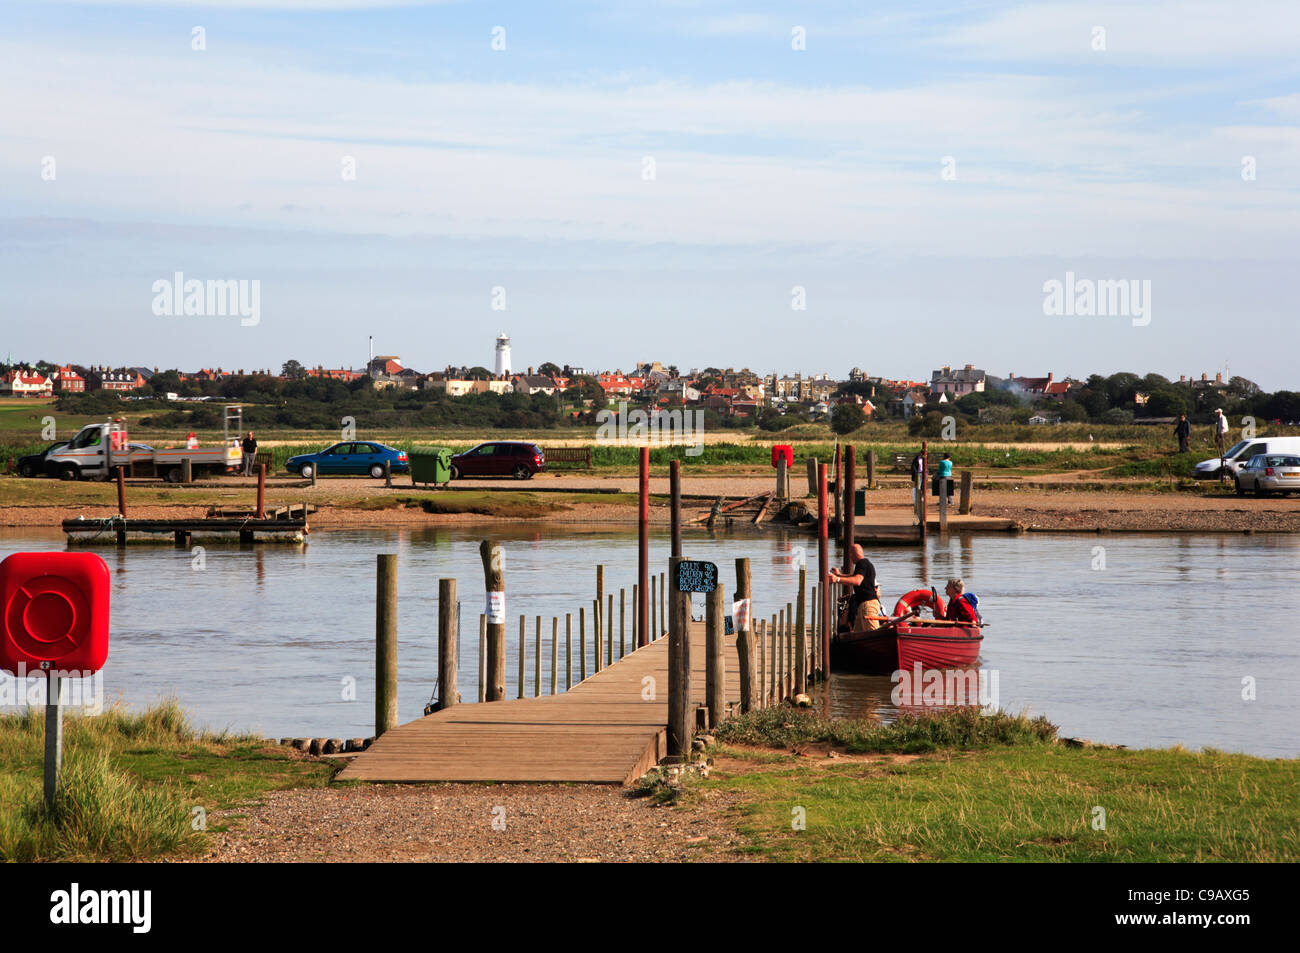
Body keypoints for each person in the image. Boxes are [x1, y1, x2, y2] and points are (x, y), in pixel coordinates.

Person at [829, 543, 883, 631]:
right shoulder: (865, 564)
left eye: (850, 554)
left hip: (868, 604)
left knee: (873, 633)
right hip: (862, 605)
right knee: (858, 634)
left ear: (852, 554)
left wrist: (837, 579)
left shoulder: (861, 563)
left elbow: (857, 580)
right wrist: (839, 575)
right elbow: (853, 576)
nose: (850, 558)